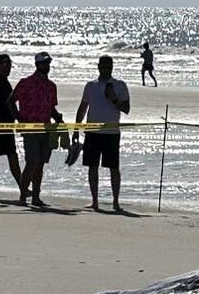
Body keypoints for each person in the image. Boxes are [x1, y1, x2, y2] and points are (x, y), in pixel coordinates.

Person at [74, 54, 131, 213]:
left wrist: (113, 99)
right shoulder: (91, 86)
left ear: (112, 67)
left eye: (109, 66)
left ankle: (116, 202)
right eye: (103, 66)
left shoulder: (119, 85)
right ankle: (95, 201)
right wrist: (76, 129)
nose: (106, 69)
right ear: (98, 66)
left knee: (113, 168)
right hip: (92, 132)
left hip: (111, 132)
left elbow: (126, 109)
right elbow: (83, 108)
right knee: (92, 167)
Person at [14, 52, 60, 208]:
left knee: (40, 164)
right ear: (37, 64)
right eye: (43, 63)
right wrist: (20, 119)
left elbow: (51, 108)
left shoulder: (51, 86)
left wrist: (58, 118)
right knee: (31, 163)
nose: (46, 66)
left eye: (48, 63)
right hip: (30, 129)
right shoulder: (25, 83)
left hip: (46, 128)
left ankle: (35, 196)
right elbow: (10, 102)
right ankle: (23, 195)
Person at [0, 53, 27, 204]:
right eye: (4, 64)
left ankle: (22, 187)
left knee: (13, 158)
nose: (7, 67)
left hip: (7, 125)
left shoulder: (6, 82)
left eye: (9, 65)